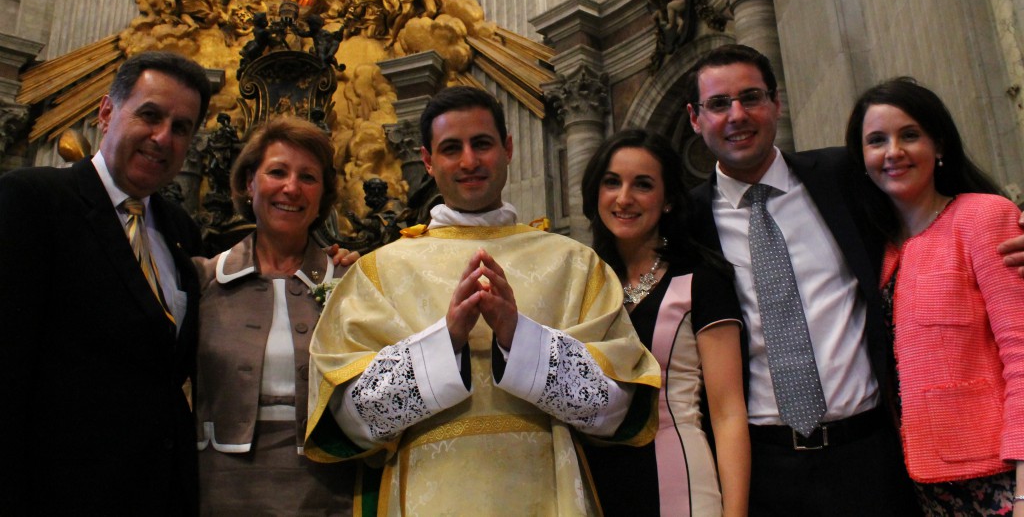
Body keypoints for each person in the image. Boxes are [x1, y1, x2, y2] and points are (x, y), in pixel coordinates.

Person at [305, 86, 661, 515]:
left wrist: (518, 337)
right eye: (451, 148)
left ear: (508, 149)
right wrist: (447, 340)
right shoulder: (378, 273)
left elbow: (616, 407)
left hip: (548, 492)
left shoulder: (573, 264)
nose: (469, 161)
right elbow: (350, 419)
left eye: (482, 144)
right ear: (427, 161)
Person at [685, 44, 919, 516]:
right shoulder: (685, 221)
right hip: (765, 468)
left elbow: (930, 205)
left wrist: (1005, 229)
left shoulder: (842, 176)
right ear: (695, 118)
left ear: (777, 102)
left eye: (751, 97)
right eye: (718, 104)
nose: (737, 115)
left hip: (871, 452)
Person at [0, 51, 211, 515]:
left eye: (181, 128)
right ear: (106, 111)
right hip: (57, 493)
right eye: (150, 115)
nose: (163, 138)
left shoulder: (180, 230)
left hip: (156, 495)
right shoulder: (33, 201)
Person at [844, 77, 1024, 515]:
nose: (893, 152)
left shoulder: (983, 217)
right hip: (924, 485)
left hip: (998, 474)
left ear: (939, 145)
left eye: (909, 135)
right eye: (876, 141)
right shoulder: (879, 250)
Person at [580, 129, 750, 516]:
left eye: (642, 185)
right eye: (612, 183)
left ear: (669, 200)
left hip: (680, 480)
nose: (624, 198)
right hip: (595, 486)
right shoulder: (583, 287)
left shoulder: (702, 281)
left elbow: (728, 414)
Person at [194, 116, 358, 514]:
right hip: (221, 490)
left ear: (323, 196)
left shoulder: (353, 282)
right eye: (277, 172)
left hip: (328, 493)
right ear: (249, 183)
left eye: (308, 177)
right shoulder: (202, 279)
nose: (291, 188)